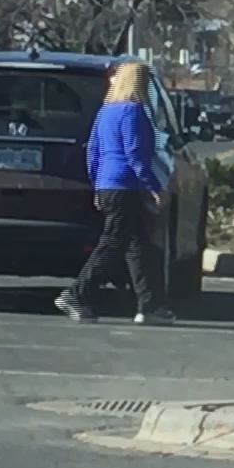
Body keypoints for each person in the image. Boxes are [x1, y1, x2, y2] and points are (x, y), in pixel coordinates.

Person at [57, 60, 174, 325]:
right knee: (113, 243)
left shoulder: (105, 112)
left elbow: (94, 152)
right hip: (127, 185)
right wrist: (153, 186)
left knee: (138, 246)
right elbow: (135, 154)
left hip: (109, 184)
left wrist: (97, 184)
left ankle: (150, 306)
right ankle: (77, 294)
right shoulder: (134, 112)